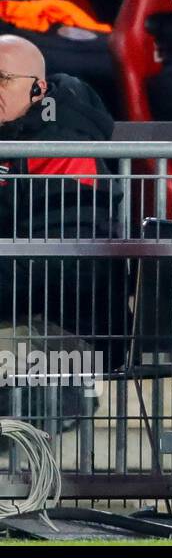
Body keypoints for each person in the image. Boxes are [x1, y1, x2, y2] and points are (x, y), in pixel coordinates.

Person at [0, 35, 124, 360]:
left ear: (38, 90)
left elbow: (63, 262)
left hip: (64, 328)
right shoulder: (11, 136)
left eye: (2, 79)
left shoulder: (64, 145)